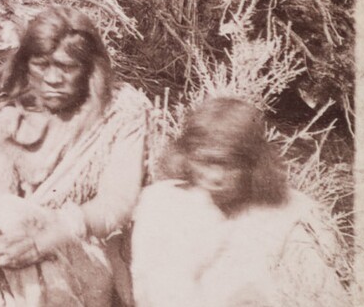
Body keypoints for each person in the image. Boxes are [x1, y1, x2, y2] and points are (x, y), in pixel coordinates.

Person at [0, 6, 150, 307]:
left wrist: (51, 234)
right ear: (26, 65)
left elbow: (117, 202)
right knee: (3, 217)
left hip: (82, 253)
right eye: (41, 65)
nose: (53, 78)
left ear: (91, 69)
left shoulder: (119, 113)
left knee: (18, 228)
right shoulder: (5, 117)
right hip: (11, 251)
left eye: (67, 67)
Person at [131, 98, 349, 307]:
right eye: (204, 162)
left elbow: (325, 298)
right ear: (187, 156)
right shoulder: (161, 204)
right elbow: (151, 292)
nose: (215, 176)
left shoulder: (294, 214)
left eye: (229, 164)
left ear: (253, 162)